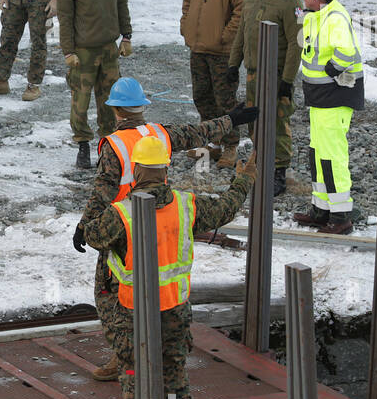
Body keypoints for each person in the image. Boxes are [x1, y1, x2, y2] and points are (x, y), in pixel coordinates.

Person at [79, 136, 257, 399]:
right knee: (173, 366)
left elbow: (93, 236)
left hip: (135, 310)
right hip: (175, 306)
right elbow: (225, 209)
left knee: (134, 368)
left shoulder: (122, 214)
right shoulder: (187, 205)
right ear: (166, 169)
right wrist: (242, 180)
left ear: (134, 170)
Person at [73, 76, 258, 382]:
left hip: (122, 226)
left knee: (109, 296)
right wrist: (232, 120)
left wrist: (85, 227)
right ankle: (156, 363)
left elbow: (103, 190)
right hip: (165, 218)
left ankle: (124, 357)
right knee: (160, 289)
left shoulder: (114, 145)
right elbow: (196, 133)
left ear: (117, 111)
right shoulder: (158, 135)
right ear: (142, 108)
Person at [293, 0, 365, 235]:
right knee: (318, 152)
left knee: (332, 155)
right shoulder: (316, 15)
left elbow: (348, 53)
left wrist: (331, 71)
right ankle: (321, 210)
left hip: (335, 96)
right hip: (320, 98)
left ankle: (341, 216)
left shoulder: (335, 18)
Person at [57, 0, 133, 170]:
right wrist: (68, 51)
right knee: (80, 101)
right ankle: (82, 145)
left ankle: (108, 145)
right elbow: (65, 15)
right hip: (83, 51)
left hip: (109, 48)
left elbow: (121, 0)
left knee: (111, 100)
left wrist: (127, 36)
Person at [227, 0, 303, 197]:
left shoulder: (290, 2)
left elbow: (296, 43)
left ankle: (279, 170)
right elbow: (241, 33)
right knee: (254, 119)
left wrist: (287, 80)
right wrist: (233, 64)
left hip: (277, 74)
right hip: (253, 74)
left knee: (278, 122)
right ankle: (260, 162)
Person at [180, 0, 250, 168]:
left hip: (222, 52)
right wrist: (186, 27)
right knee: (202, 96)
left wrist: (226, 36)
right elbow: (188, 1)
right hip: (198, 48)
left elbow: (243, 10)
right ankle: (211, 142)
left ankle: (230, 145)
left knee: (225, 100)